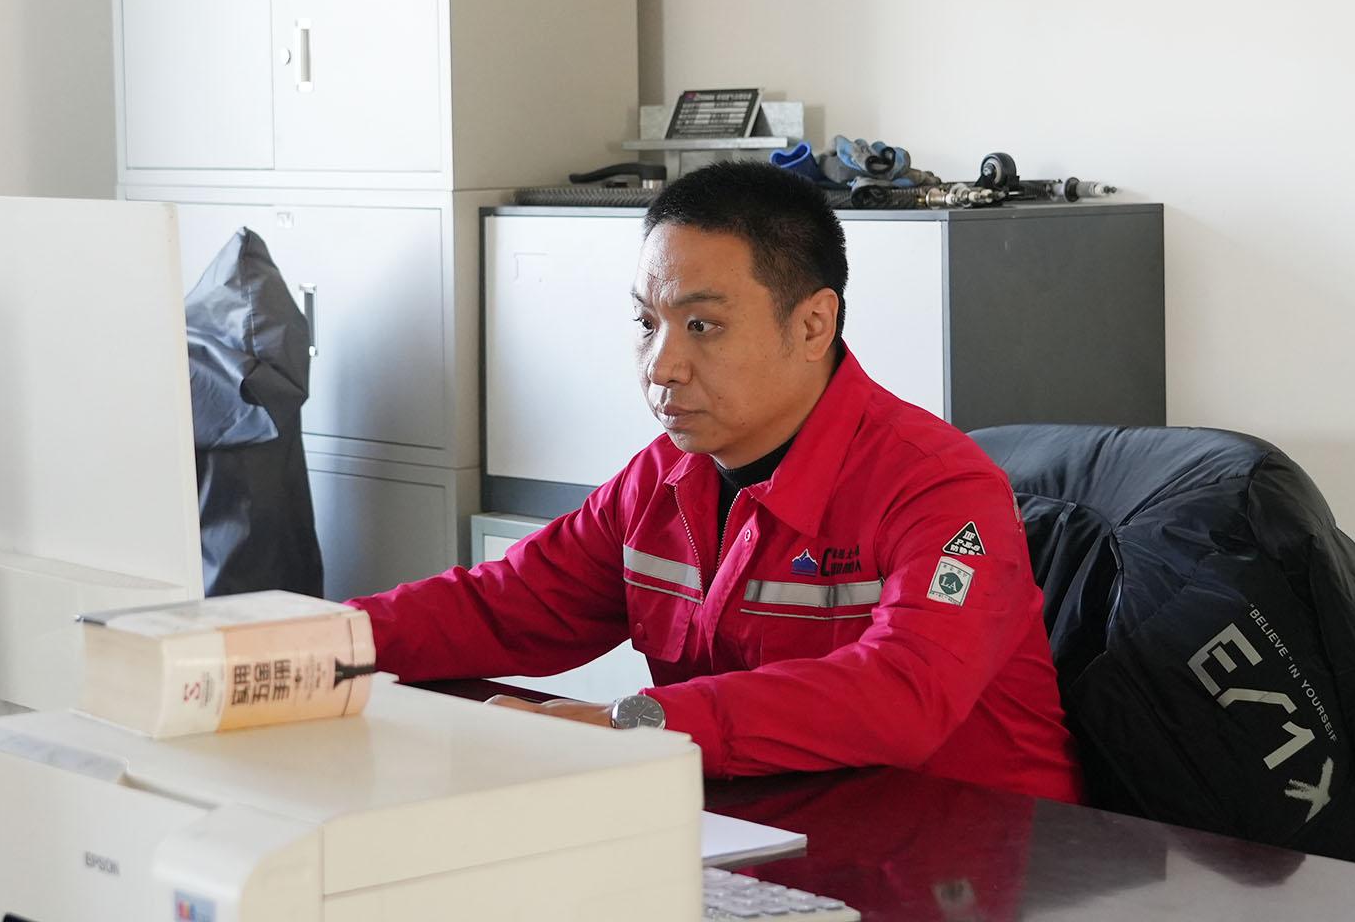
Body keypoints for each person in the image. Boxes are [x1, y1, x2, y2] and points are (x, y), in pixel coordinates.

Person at [350, 162, 1082, 802]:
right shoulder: (662, 479)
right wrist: (327, 640)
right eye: (647, 323)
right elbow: (506, 606)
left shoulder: (940, 490)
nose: (661, 367)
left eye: (701, 326)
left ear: (813, 326)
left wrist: (628, 725)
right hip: (764, 827)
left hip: (981, 860)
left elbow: (902, 691)